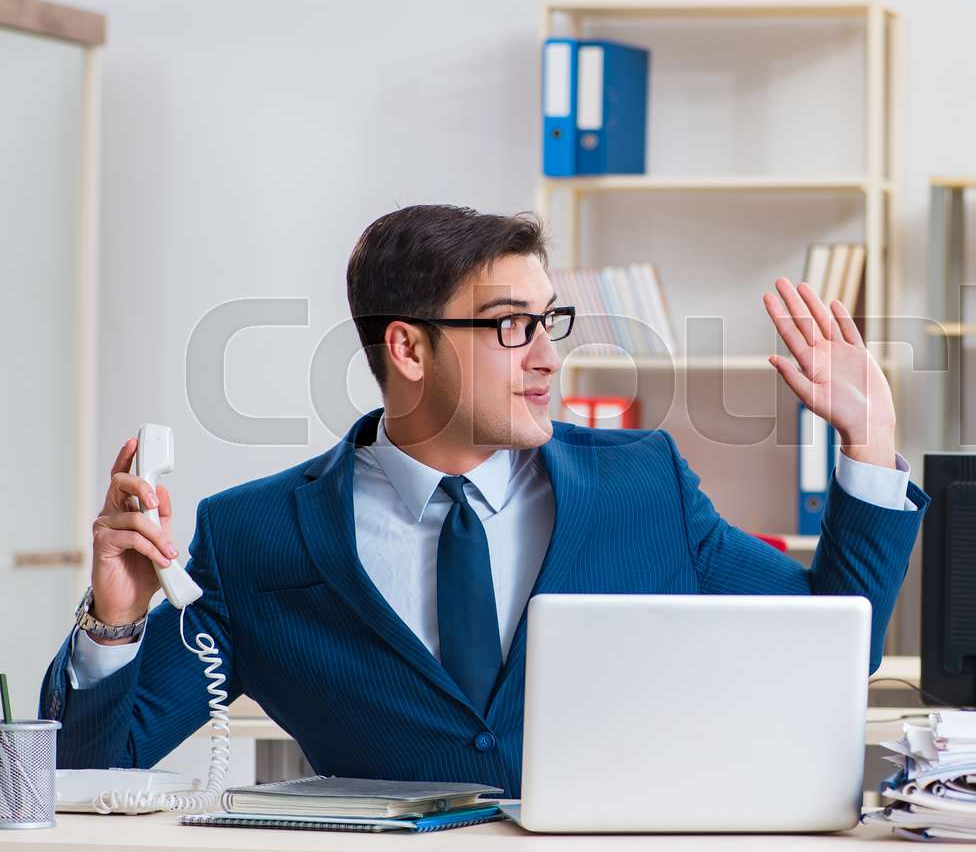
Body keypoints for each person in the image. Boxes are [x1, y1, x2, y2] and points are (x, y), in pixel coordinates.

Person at [40, 204, 927, 796]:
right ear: (409, 350)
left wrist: (869, 440)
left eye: (551, 323)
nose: (546, 357)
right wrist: (115, 622)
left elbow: (828, 643)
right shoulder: (256, 534)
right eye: (512, 327)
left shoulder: (641, 484)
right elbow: (93, 774)